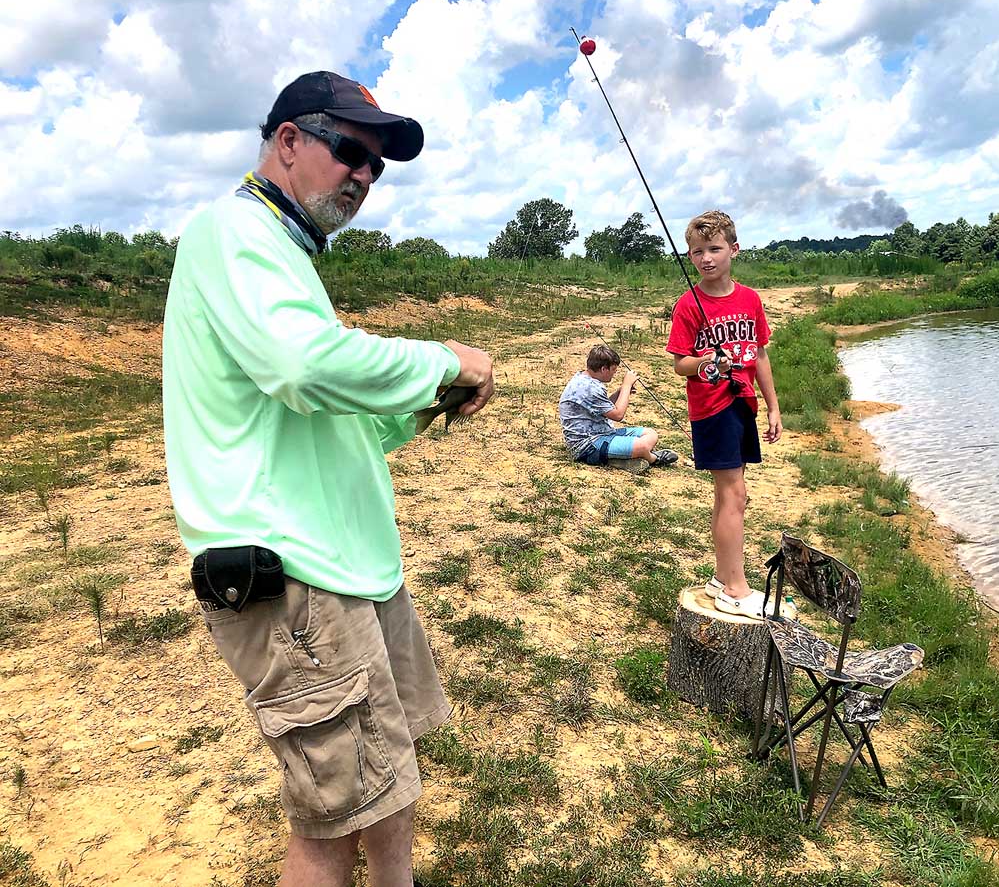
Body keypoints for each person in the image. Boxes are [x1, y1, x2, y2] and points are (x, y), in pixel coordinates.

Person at [162, 71, 493, 887]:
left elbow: (322, 411)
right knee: (331, 815)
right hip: (296, 577)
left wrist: (422, 406)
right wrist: (447, 359)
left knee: (390, 768)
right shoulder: (234, 231)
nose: (365, 175)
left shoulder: (281, 251)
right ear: (288, 142)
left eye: (377, 166)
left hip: (350, 564)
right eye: (351, 150)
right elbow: (305, 365)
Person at [666, 210, 781, 620]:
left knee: (729, 494)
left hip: (742, 404)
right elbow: (680, 363)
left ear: (733, 249)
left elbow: (760, 354)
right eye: (697, 252)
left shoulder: (750, 300)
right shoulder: (688, 304)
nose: (706, 259)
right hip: (710, 409)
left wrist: (772, 406)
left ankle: (721, 577)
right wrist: (707, 362)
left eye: (714, 249)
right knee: (736, 494)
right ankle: (736, 588)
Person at [558, 345, 679, 473]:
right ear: (604, 369)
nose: (614, 374)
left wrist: (620, 392)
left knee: (650, 433)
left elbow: (603, 408)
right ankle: (653, 458)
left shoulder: (585, 378)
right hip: (588, 445)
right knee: (642, 446)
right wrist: (626, 386)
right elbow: (618, 415)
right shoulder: (589, 387)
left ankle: (621, 457)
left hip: (603, 433)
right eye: (613, 370)